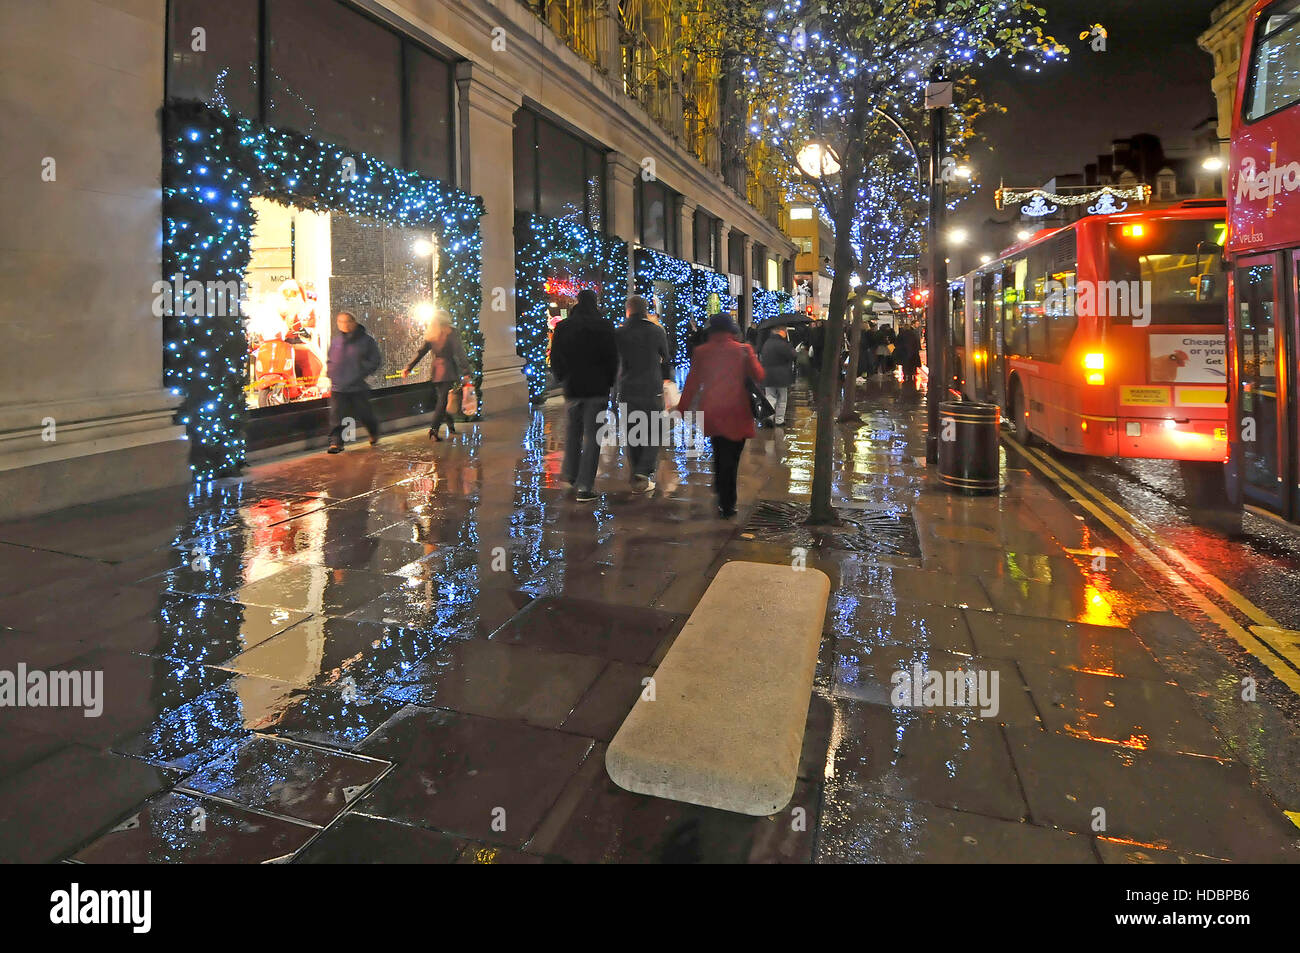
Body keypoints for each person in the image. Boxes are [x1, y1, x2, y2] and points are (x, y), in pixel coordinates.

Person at [675, 313, 764, 519]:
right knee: (733, 456)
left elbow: (692, 382)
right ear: (732, 330)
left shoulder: (702, 351)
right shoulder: (743, 350)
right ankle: (728, 502)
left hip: (713, 410)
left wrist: (682, 408)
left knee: (719, 450)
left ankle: (720, 486)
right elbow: (759, 375)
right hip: (738, 409)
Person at [550, 289, 618, 502]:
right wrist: (610, 382)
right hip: (597, 389)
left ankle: (570, 475)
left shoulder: (563, 327)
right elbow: (612, 358)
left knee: (573, 432)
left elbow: (555, 357)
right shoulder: (605, 326)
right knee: (593, 437)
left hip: (573, 387)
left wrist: (562, 378)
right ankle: (585, 486)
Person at [616, 294, 672, 493]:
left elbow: (616, 361)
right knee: (655, 430)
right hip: (650, 388)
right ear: (646, 310)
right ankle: (644, 470)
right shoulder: (656, 331)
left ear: (628, 310)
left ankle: (636, 474)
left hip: (628, 388)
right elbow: (665, 357)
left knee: (632, 432)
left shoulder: (620, 332)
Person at [402, 309, 471, 441]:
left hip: (436, 370)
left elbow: (421, 352)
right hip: (448, 369)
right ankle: (434, 429)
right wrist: (466, 371)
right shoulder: (451, 332)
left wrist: (409, 367)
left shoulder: (432, 332)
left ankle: (450, 425)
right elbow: (459, 352)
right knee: (443, 400)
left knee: (442, 399)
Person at [325, 310, 382, 453]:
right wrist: (331, 372)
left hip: (357, 386)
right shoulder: (336, 341)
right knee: (337, 416)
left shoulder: (366, 341)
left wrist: (360, 372)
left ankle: (373, 431)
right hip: (338, 386)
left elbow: (375, 360)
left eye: (345, 321)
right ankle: (336, 443)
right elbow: (331, 359)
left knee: (364, 413)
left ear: (353, 322)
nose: (342, 325)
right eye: (339, 322)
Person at [759, 326, 795, 427]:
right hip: (782, 375)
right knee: (782, 398)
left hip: (768, 375)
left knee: (770, 397)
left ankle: (769, 417)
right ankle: (779, 420)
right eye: (784, 330)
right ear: (780, 332)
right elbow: (792, 355)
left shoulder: (767, 343)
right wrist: (790, 346)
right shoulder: (783, 344)